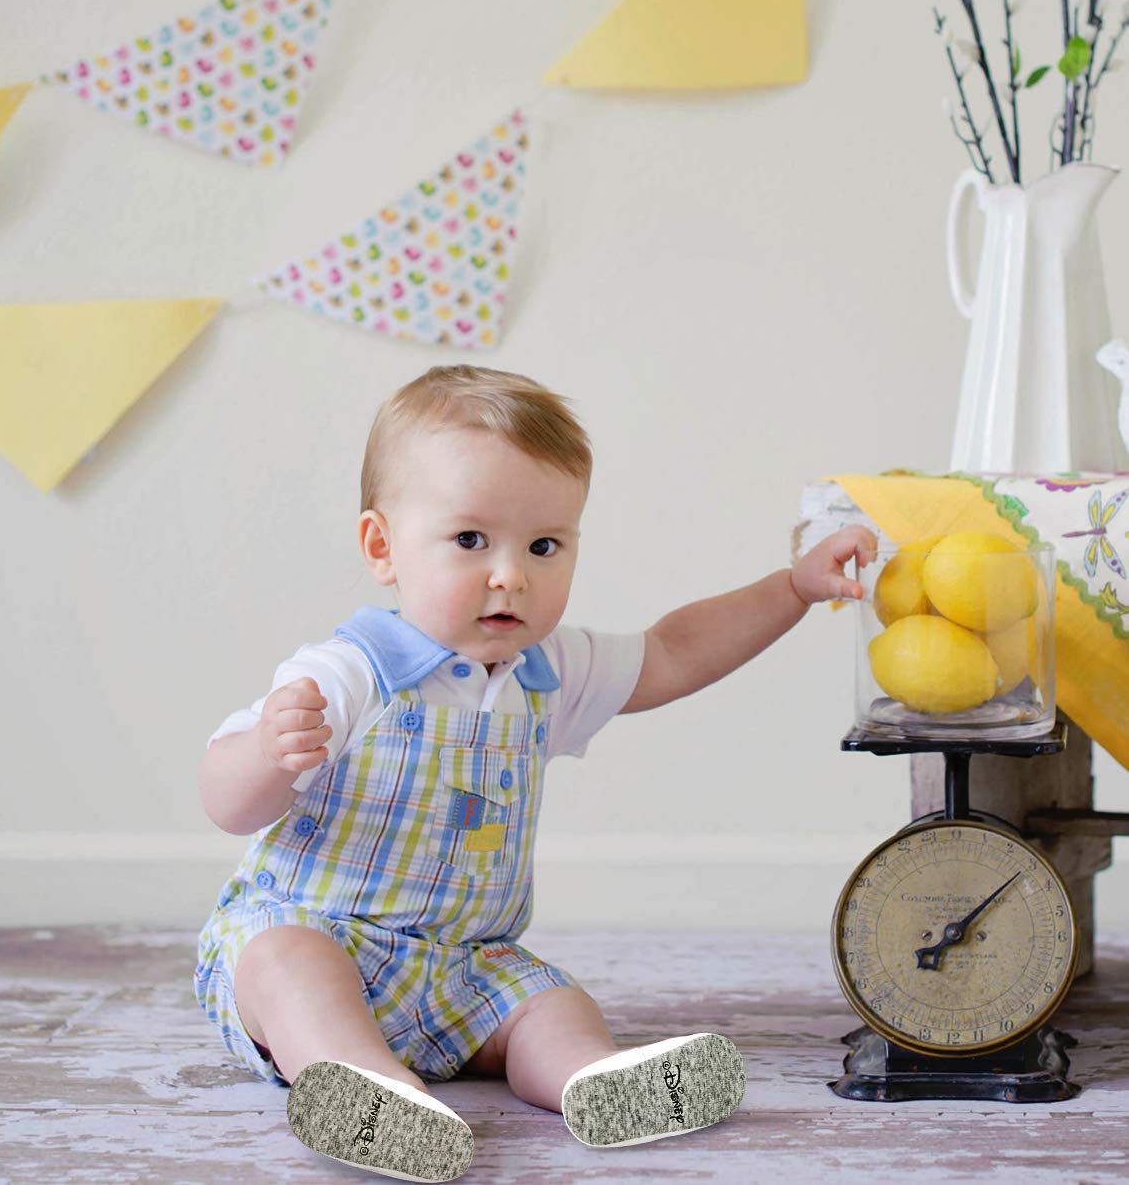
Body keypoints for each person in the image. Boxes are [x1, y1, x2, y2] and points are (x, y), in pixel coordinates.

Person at [194, 364, 875, 1180]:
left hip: (463, 967)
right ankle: (366, 1090)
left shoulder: (544, 671)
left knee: (547, 1005)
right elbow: (225, 803)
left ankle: (595, 1082)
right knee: (285, 963)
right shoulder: (351, 673)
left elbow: (675, 651)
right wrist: (269, 755)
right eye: (471, 540)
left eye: (544, 545)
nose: (511, 573)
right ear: (383, 547)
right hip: (324, 936)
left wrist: (793, 588)